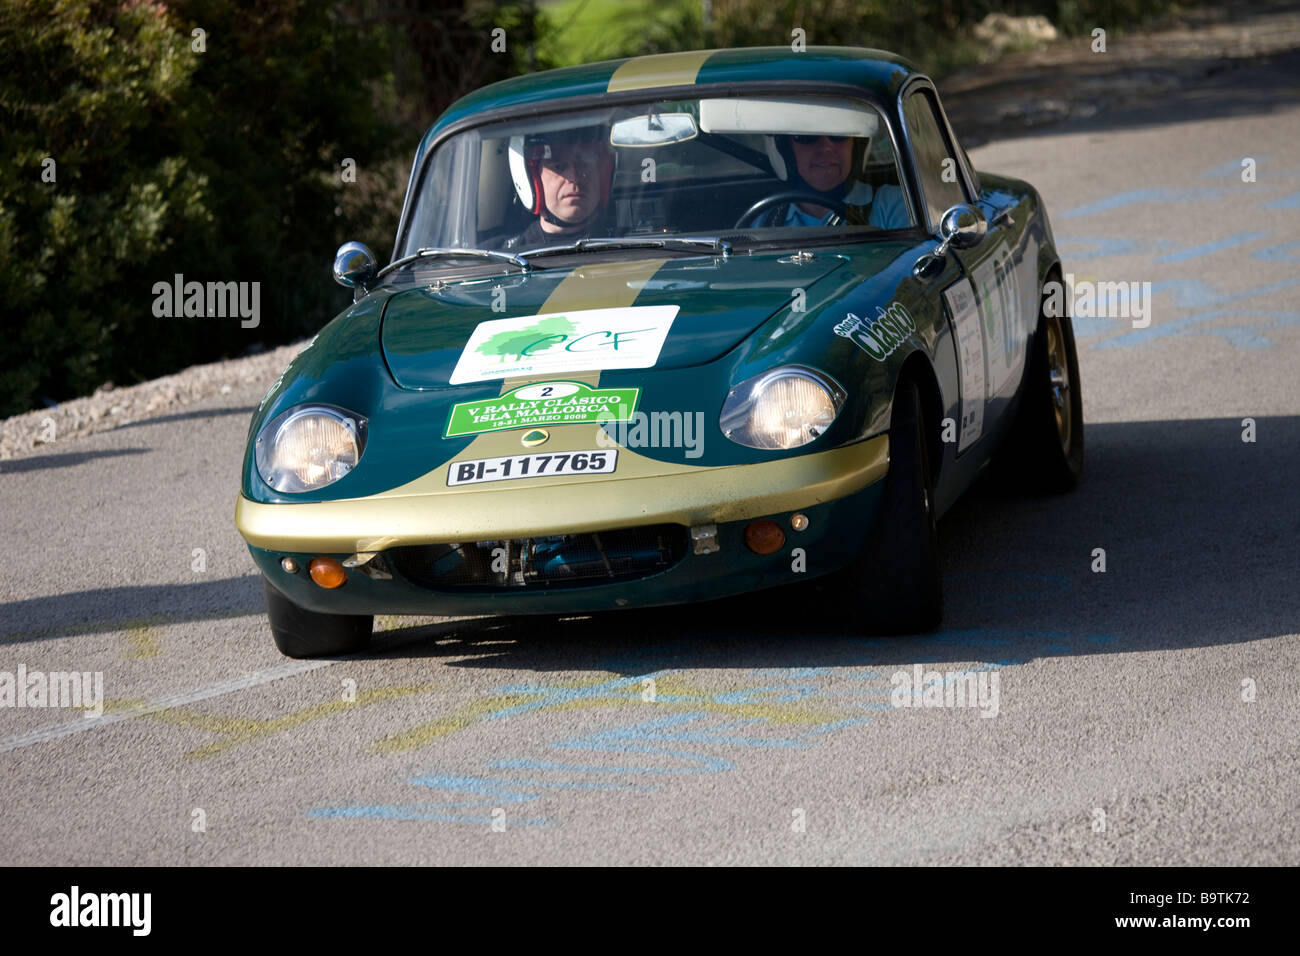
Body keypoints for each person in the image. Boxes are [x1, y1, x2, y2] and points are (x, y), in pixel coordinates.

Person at [759, 134, 909, 230]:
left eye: (839, 135)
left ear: (855, 145)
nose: (825, 148)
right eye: (807, 136)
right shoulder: (766, 220)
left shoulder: (894, 205)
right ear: (787, 149)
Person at [498, 128, 616, 250]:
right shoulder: (500, 256)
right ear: (531, 179)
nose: (574, 178)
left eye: (584, 164)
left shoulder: (628, 246)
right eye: (559, 167)